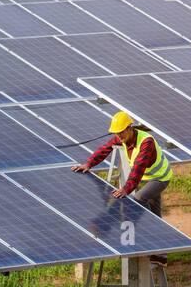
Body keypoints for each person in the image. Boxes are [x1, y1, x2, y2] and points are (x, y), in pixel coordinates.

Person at [72, 111, 176, 259]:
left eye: (120, 133)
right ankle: (161, 255)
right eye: (116, 133)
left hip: (160, 177)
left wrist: (126, 189)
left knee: (139, 199)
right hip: (148, 177)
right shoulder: (122, 138)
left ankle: (137, 235)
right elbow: (105, 149)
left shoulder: (146, 142)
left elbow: (138, 168)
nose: (118, 137)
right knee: (155, 216)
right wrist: (88, 164)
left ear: (129, 128)